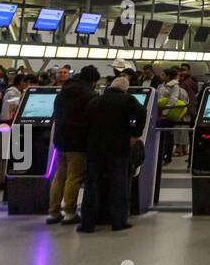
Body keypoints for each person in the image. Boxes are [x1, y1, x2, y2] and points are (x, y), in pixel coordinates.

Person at [79, 72, 147, 233]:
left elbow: (85, 123)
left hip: (95, 148)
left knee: (91, 185)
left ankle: (88, 223)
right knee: (118, 184)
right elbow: (142, 112)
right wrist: (135, 132)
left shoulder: (95, 100)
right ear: (125, 89)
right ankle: (118, 221)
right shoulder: (127, 99)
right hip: (118, 148)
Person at [46, 65, 96, 225]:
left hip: (60, 138)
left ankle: (53, 213)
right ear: (93, 81)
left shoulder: (62, 93)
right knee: (74, 177)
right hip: (78, 140)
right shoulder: (89, 95)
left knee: (60, 175)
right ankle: (69, 212)